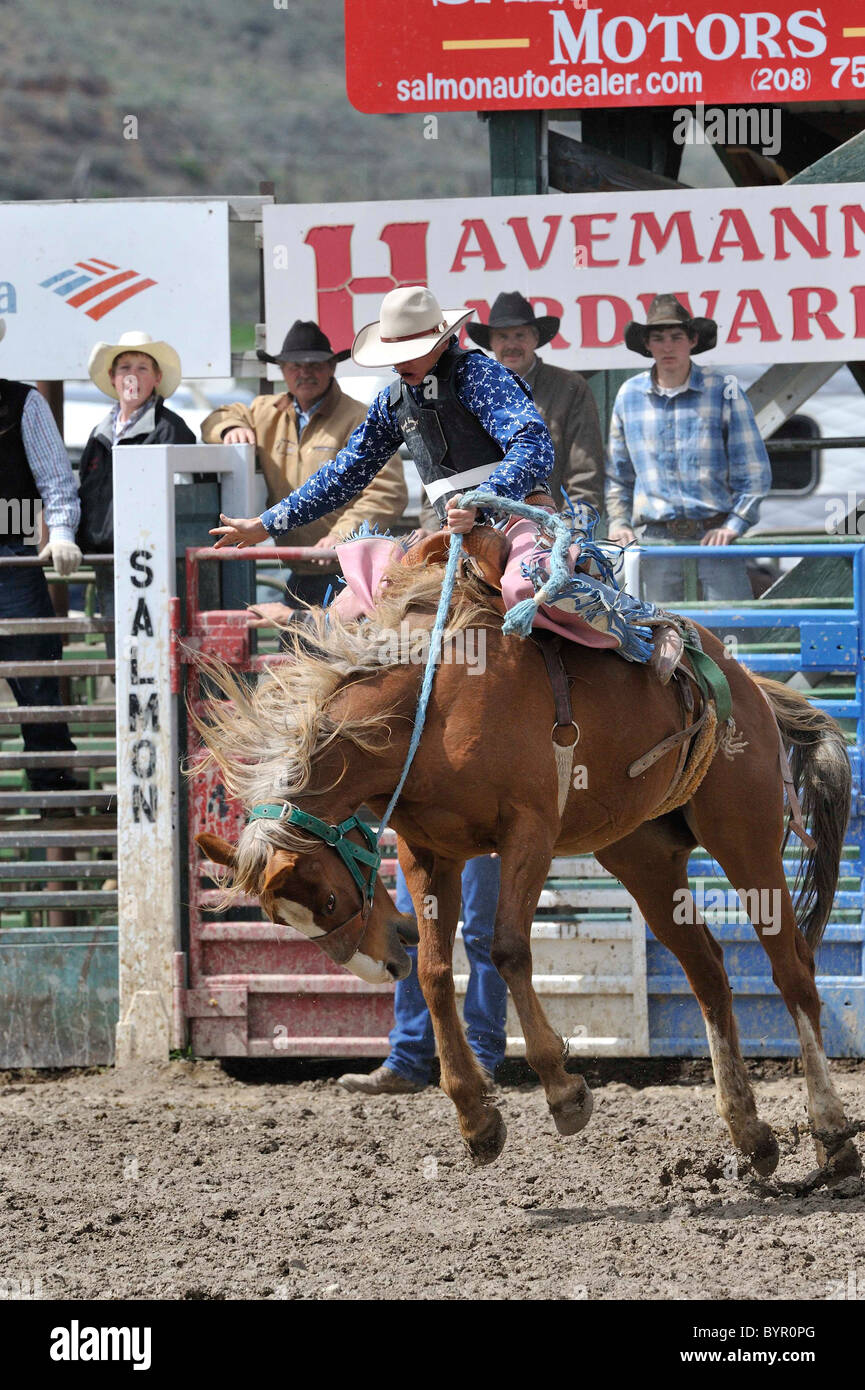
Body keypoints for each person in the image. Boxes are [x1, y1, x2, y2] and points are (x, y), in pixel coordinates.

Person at [210, 285, 662, 1096]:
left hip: (507, 511)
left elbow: (531, 443)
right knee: (355, 608)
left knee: (534, 584)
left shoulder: (480, 373)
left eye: (415, 348)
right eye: (400, 353)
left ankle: (617, 646)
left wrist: (484, 503)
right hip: (439, 528)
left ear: (440, 340)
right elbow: (348, 471)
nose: (409, 361)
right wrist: (269, 524)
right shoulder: (397, 397)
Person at [200, 320, 407, 622]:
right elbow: (218, 416)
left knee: (336, 656)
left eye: (315, 365)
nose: (305, 373)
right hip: (299, 569)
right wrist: (230, 427)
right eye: (295, 365)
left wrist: (341, 536)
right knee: (303, 657)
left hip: (346, 571)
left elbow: (387, 491)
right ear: (282, 371)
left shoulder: (359, 417)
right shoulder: (265, 411)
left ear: (331, 368)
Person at [606, 295, 772, 603]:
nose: (667, 347)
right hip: (655, 539)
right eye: (658, 338)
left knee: (728, 633)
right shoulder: (629, 396)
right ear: (648, 345)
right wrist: (619, 522)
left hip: (715, 537)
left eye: (676, 337)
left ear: (692, 340)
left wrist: (733, 525)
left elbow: (754, 472)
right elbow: (618, 475)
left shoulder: (724, 390)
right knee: (660, 636)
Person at [0, 318, 82, 794]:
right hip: (13, 557)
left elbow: (56, 481)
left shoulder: (24, 401)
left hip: (12, 558)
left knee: (37, 681)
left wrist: (63, 531)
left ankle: (52, 788)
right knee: (36, 678)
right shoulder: (23, 401)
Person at [77, 331, 195, 656]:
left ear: (156, 378)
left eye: (142, 367)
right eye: (125, 367)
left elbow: (186, 501)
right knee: (121, 654)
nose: (132, 375)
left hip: (155, 562)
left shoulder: (172, 429)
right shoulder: (99, 434)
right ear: (113, 379)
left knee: (155, 652)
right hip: (108, 560)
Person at [465, 290, 604, 516]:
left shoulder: (570, 387)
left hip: (551, 526)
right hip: (483, 528)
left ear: (535, 339)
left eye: (520, 335)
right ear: (490, 343)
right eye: (502, 337)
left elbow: (584, 475)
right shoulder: (469, 390)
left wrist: (574, 530)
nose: (512, 345)